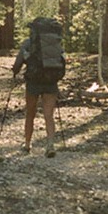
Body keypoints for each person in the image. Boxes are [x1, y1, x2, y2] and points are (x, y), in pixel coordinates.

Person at [12, 20, 64, 157]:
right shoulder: (55, 43)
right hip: (51, 82)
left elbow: (18, 62)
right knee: (49, 115)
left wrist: (15, 72)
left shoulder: (28, 43)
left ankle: (27, 145)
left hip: (33, 82)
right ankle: (50, 145)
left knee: (30, 114)